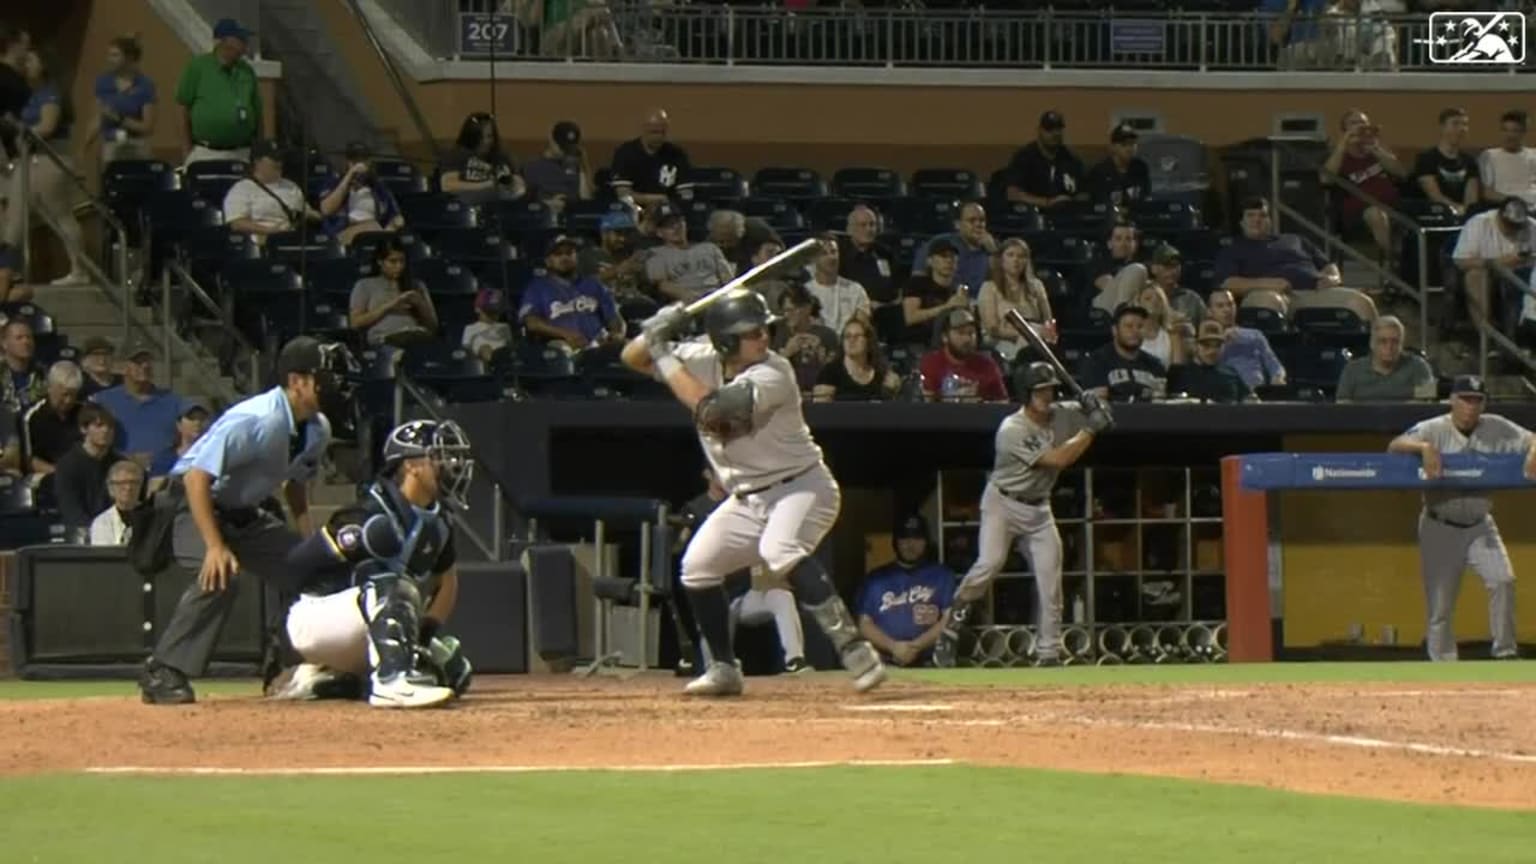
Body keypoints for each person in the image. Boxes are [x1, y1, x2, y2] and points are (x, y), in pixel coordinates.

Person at [620, 290, 887, 696]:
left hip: (802, 486)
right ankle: (725, 668)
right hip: (748, 498)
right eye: (752, 332)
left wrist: (664, 352)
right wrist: (660, 328)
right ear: (726, 341)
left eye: (766, 329)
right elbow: (631, 358)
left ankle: (855, 649)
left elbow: (711, 412)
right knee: (697, 568)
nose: (764, 337)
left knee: (779, 551)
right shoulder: (704, 357)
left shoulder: (774, 372)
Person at [138, 337, 355, 705]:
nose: (336, 385)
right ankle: (163, 669)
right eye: (326, 376)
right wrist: (214, 547)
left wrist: (308, 545)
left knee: (316, 571)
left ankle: (287, 667)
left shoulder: (318, 428)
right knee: (221, 576)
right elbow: (196, 478)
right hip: (190, 505)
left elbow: (296, 486)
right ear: (297, 381)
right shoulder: (257, 418)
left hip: (243, 513)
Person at [265, 419, 473, 708]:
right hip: (314, 618)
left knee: (452, 669)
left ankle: (324, 680)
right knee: (395, 585)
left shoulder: (438, 523)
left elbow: (447, 586)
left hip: (372, 623)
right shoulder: (367, 515)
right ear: (411, 465)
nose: (451, 464)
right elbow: (295, 566)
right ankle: (391, 682)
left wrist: (421, 637)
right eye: (439, 456)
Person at [934, 363, 1112, 667]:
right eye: (1039, 390)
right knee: (989, 564)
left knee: (1050, 581)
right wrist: (1090, 429)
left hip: (1039, 508)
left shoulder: (1062, 413)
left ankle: (1049, 653)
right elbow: (1057, 459)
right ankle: (951, 626)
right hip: (1002, 503)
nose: (1046, 395)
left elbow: (1103, 407)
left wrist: (1096, 405)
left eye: (1049, 389)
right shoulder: (1012, 430)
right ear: (1024, 394)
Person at [1387, 376, 1536, 662]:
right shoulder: (1434, 428)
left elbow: (1532, 437)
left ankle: (1505, 653)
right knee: (1440, 606)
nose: (1470, 406)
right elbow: (1395, 445)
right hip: (1440, 524)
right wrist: (1423, 448)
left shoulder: (1497, 426)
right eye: (1465, 399)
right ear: (1452, 401)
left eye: (1476, 400)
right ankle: (1444, 666)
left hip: (1481, 524)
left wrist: (1533, 450)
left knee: (1503, 580)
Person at [18, 47, 90, 284]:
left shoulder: (51, 94)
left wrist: (19, 130)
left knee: (60, 214)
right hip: (32, 158)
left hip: (51, 157)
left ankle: (79, 270)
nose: (25, 63)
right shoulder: (31, 93)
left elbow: (47, 126)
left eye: (30, 58)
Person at [856, 515, 956, 667]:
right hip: (886, 662)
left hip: (930, 662)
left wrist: (916, 646)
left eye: (917, 538)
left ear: (926, 541)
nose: (911, 544)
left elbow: (950, 620)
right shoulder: (875, 579)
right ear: (895, 542)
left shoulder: (942, 575)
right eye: (904, 538)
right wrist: (893, 647)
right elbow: (864, 624)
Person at [176, 18, 260, 165]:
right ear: (222, 41)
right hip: (206, 152)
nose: (245, 45)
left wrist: (260, 152)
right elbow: (182, 108)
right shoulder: (198, 67)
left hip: (242, 153)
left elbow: (258, 113)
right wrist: (186, 150)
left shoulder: (246, 71)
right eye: (240, 39)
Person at [221, 139, 320, 241]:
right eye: (274, 159)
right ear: (257, 161)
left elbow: (307, 212)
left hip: (290, 238)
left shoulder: (291, 186)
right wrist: (269, 231)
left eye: (281, 159)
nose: (279, 162)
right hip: (259, 242)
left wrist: (312, 215)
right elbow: (237, 223)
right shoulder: (242, 189)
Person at [348, 237, 438, 347]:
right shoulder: (364, 285)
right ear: (380, 261)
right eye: (393, 261)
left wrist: (420, 304)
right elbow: (355, 323)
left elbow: (433, 327)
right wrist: (392, 304)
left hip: (415, 339)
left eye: (402, 261)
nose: (399, 266)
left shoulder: (416, 285)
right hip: (384, 340)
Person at [82, 34, 157, 164]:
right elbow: (97, 118)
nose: (109, 59)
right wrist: (84, 147)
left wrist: (119, 118)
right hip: (110, 146)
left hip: (135, 146)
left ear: (129, 58)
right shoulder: (103, 82)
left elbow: (148, 127)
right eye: (109, 55)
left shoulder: (145, 85)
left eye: (115, 55)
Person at [54, 404, 124, 541]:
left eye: (110, 427)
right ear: (83, 429)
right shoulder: (68, 465)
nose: (105, 431)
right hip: (82, 533)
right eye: (99, 426)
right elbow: (70, 509)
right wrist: (98, 530)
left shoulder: (119, 463)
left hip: (115, 531)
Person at [978, 238, 1055, 361]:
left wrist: (1047, 333)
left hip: (1036, 338)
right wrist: (1024, 335)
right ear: (1001, 259)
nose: (1016, 260)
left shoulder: (1036, 285)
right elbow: (992, 328)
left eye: (1021, 256)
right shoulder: (989, 287)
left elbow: (1048, 321)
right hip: (1003, 341)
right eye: (1010, 255)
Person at [318, 141, 404, 247]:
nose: (359, 164)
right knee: (372, 227)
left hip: (374, 233)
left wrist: (390, 228)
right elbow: (326, 210)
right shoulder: (335, 182)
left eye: (363, 160)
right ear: (347, 162)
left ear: (369, 162)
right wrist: (349, 176)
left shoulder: (377, 186)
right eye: (354, 160)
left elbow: (398, 217)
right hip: (342, 235)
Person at [1335, 315, 1435, 402]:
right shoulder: (1352, 370)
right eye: (1383, 341)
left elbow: (1427, 402)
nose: (1389, 347)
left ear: (1402, 344)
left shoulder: (1419, 366)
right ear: (1372, 344)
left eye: (1395, 341)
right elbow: (1342, 404)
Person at [439, 112, 524, 206]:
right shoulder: (456, 155)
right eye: (480, 137)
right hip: (468, 206)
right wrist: (486, 185)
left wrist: (513, 184)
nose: (485, 141)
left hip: (502, 207)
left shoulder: (502, 156)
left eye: (489, 136)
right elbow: (447, 184)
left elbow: (518, 183)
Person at [812, 318, 901, 402]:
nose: (852, 340)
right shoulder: (829, 372)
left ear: (868, 341)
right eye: (847, 336)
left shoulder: (881, 374)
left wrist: (892, 391)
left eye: (857, 336)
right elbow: (821, 409)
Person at [89, 459, 144, 546]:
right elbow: (103, 556)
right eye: (122, 483)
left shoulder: (155, 518)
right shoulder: (102, 522)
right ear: (111, 487)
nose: (128, 488)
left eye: (133, 482)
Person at [462, 287, 513, 363]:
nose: (493, 315)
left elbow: (509, 345)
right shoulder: (470, 328)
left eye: (496, 312)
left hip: (503, 354)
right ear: (478, 309)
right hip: (481, 359)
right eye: (489, 312)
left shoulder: (505, 327)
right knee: (485, 348)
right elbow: (466, 350)